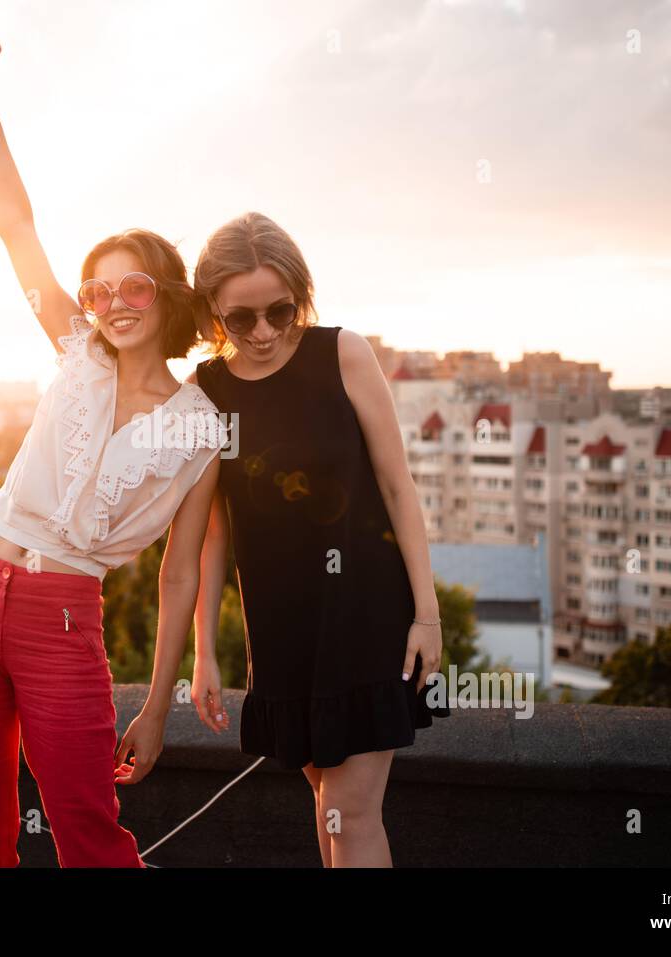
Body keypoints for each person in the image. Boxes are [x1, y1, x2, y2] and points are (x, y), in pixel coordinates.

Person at [0, 20, 224, 868]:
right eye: (99, 289)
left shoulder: (203, 428)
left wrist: (160, 704)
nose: (112, 302)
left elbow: (181, 572)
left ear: (165, 295)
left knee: (92, 836)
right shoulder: (77, 349)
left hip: (63, 617)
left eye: (133, 284)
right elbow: (14, 226)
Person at [188, 211, 451, 868]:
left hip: (367, 616)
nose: (265, 333)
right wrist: (205, 651)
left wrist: (427, 612)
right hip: (280, 632)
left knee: (353, 812)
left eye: (280, 310)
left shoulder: (343, 353)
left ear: (299, 293)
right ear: (212, 310)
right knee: (332, 810)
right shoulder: (205, 390)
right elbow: (212, 534)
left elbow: (398, 486)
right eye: (240, 318)